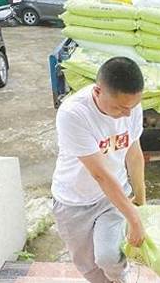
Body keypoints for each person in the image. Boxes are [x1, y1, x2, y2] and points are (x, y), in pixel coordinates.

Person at [52, 57, 146, 283]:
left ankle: (121, 280)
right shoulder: (73, 113)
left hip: (113, 197)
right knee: (89, 266)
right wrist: (134, 219)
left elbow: (134, 154)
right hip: (73, 201)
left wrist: (140, 200)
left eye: (131, 107)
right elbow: (100, 174)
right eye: (120, 108)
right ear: (97, 92)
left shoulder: (131, 106)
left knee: (108, 257)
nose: (127, 114)